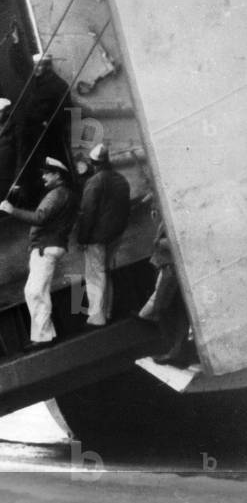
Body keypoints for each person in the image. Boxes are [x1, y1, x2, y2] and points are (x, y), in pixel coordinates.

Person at [0, 156, 79, 350]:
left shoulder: (56, 194)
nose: (44, 177)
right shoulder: (63, 193)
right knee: (37, 291)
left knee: (35, 292)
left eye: (47, 174)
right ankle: (45, 334)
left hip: (45, 247)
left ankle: (44, 337)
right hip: (48, 246)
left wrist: (11, 210)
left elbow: (40, 217)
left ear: (57, 175)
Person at [76, 144, 131, 326]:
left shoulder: (94, 182)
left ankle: (96, 316)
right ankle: (107, 312)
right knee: (106, 271)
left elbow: (87, 212)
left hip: (96, 237)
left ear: (93, 163)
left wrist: (82, 238)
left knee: (95, 274)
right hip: (115, 235)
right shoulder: (121, 180)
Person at [16, 54, 74, 206]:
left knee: (52, 169)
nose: (36, 69)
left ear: (48, 66)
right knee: (35, 170)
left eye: (40, 65)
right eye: (35, 65)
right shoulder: (34, 83)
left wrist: (49, 123)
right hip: (32, 136)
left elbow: (68, 111)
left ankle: (61, 202)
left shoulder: (59, 85)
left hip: (49, 137)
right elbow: (19, 67)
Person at [138, 221, 195, 367]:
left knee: (163, 309)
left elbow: (178, 241)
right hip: (171, 268)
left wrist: (159, 242)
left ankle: (176, 353)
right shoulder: (168, 216)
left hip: (171, 269)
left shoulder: (172, 217)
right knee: (178, 311)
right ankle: (178, 353)